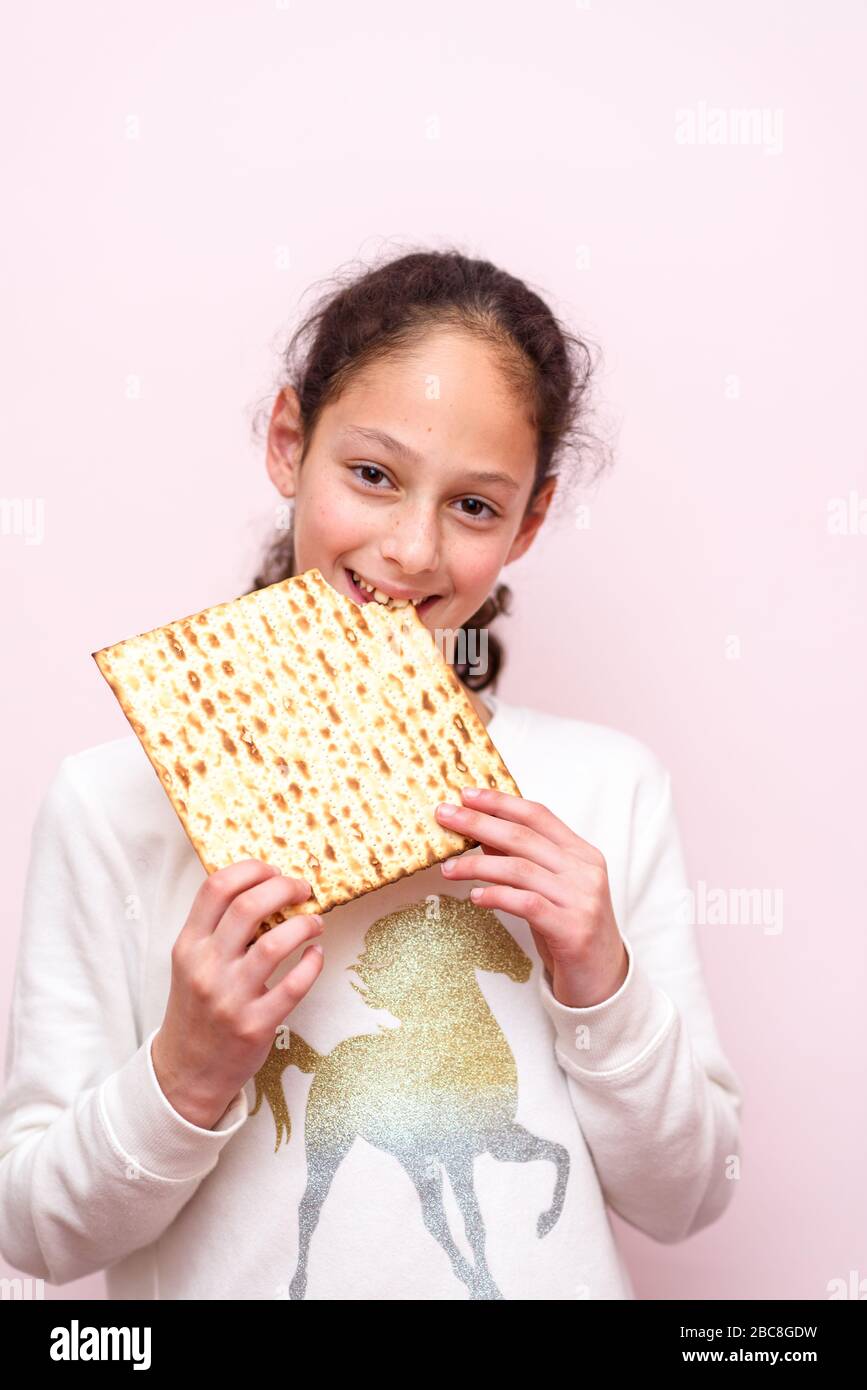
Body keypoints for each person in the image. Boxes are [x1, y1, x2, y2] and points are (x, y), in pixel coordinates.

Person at [0, 247, 743, 1300]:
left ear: (530, 520)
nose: (409, 547)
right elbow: (36, 1230)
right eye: (374, 474)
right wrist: (192, 1064)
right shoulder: (114, 805)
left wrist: (599, 974)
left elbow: (689, 1196)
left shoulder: (602, 791)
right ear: (289, 441)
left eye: (475, 507)